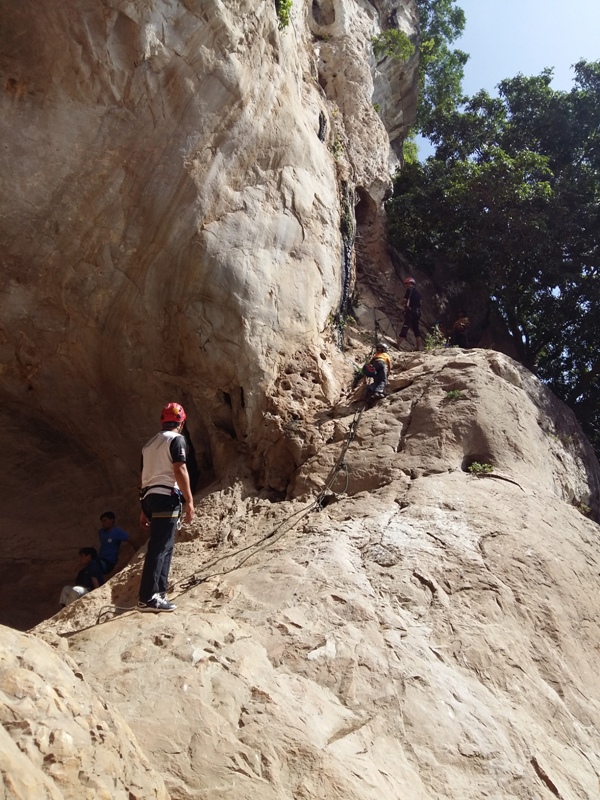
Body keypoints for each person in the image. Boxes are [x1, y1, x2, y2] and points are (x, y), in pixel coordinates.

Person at [137, 402, 195, 612]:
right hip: (166, 496)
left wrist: (143, 508)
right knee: (160, 547)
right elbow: (180, 469)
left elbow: (144, 477)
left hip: (150, 497)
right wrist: (189, 500)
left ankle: (159, 593)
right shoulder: (177, 439)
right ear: (181, 422)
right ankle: (148, 598)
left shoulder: (149, 445)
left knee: (165, 546)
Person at [397, 277, 422, 351]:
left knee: (405, 327)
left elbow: (405, 300)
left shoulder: (409, 290)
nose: (405, 286)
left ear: (410, 284)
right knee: (416, 329)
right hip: (418, 312)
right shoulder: (419, 293)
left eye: (406, 284)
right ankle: (418, 348)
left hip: (411, 312)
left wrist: (399, 303)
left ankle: (397, 344)